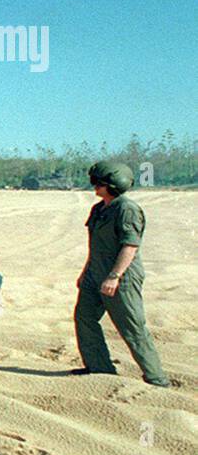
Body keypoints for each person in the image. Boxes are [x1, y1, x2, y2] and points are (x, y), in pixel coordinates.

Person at [72, 161, 168, 386]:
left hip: (120, 278)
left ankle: (157, 379)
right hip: (95, 275)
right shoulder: (98, 209)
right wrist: (86, 272)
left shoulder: (127, 209)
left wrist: (114, 277)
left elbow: (130, 247)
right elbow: (95, 245)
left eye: (99, 183)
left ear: (113, 185)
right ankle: (99, 369)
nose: (94, 186)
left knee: (132, 327)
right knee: (84, 318)